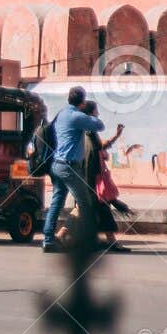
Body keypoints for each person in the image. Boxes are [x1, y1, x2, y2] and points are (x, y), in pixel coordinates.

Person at [42, 85, 104, 253]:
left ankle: (48, 240)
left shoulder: (62, 114)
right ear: (82, 102)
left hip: (57, 164)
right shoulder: (77, 117)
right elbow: (100, 125)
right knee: (85, 202)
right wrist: (88, 114)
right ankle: (88, 240)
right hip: (70, 167)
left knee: (57, 202)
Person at [81, 100, 128, 250]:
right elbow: (98, 150)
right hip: (91, 179)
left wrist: (116, 135)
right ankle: (111, 241)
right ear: (90, 114)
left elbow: (100, 148)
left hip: (88, 177)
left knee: (87, 210)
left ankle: (61, 236)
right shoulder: (88, 132)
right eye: (96, 111)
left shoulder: (86, 131)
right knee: (102, 210)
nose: (98, 114)